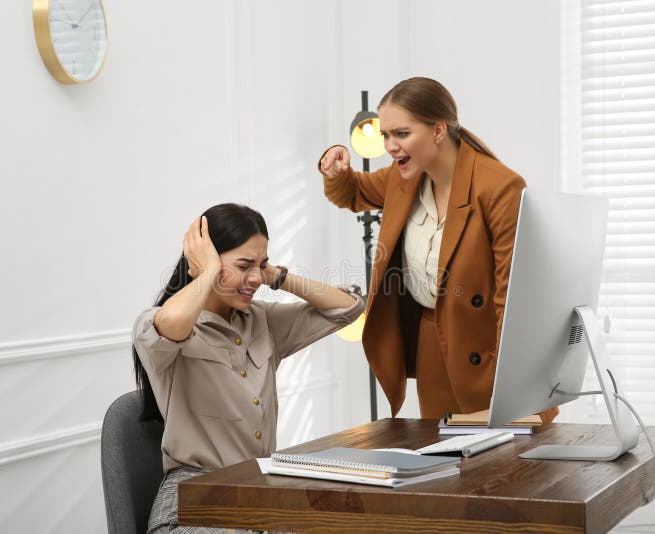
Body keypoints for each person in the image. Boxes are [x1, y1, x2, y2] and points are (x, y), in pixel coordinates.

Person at [319, 77, 557, 423]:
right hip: (433, 341)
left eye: (401, 134)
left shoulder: (499, 187)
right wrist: (333, 168)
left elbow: (514, 296)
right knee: (442, 460)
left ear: (438, 130)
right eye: (386, 135)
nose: (390, 145)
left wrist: (513, 385)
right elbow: (352, 193)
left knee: (500, 466)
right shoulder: (404, 179)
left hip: (487, 347)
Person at [132, 203, 364, 534]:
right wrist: (208, 272)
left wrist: (275, 275)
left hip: (259, 492)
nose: (255, 278)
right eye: (244, 265)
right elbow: (171, 322)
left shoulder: (263, 320)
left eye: (261, 264)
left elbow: (348, 307)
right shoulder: (161, 322)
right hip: (195, 502)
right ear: (205, 260)